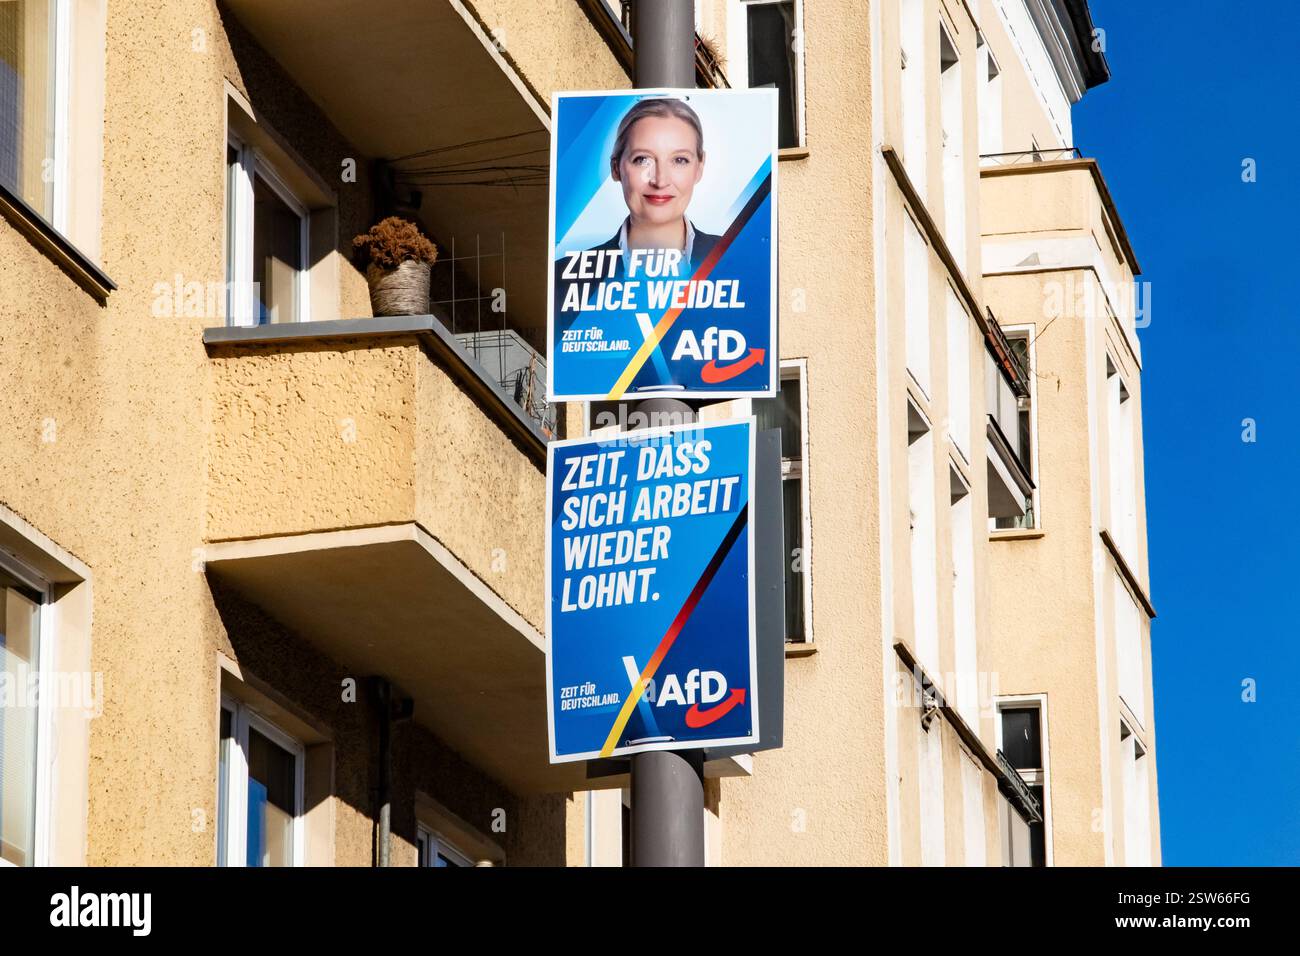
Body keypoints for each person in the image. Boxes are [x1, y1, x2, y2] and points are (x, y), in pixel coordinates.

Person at [555, 97, 721, 316]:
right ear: (616, 168)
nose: (660, 180)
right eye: (642, 159)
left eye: (679, 160)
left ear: (700, 167)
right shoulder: (565, 277)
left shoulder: (736, 262)